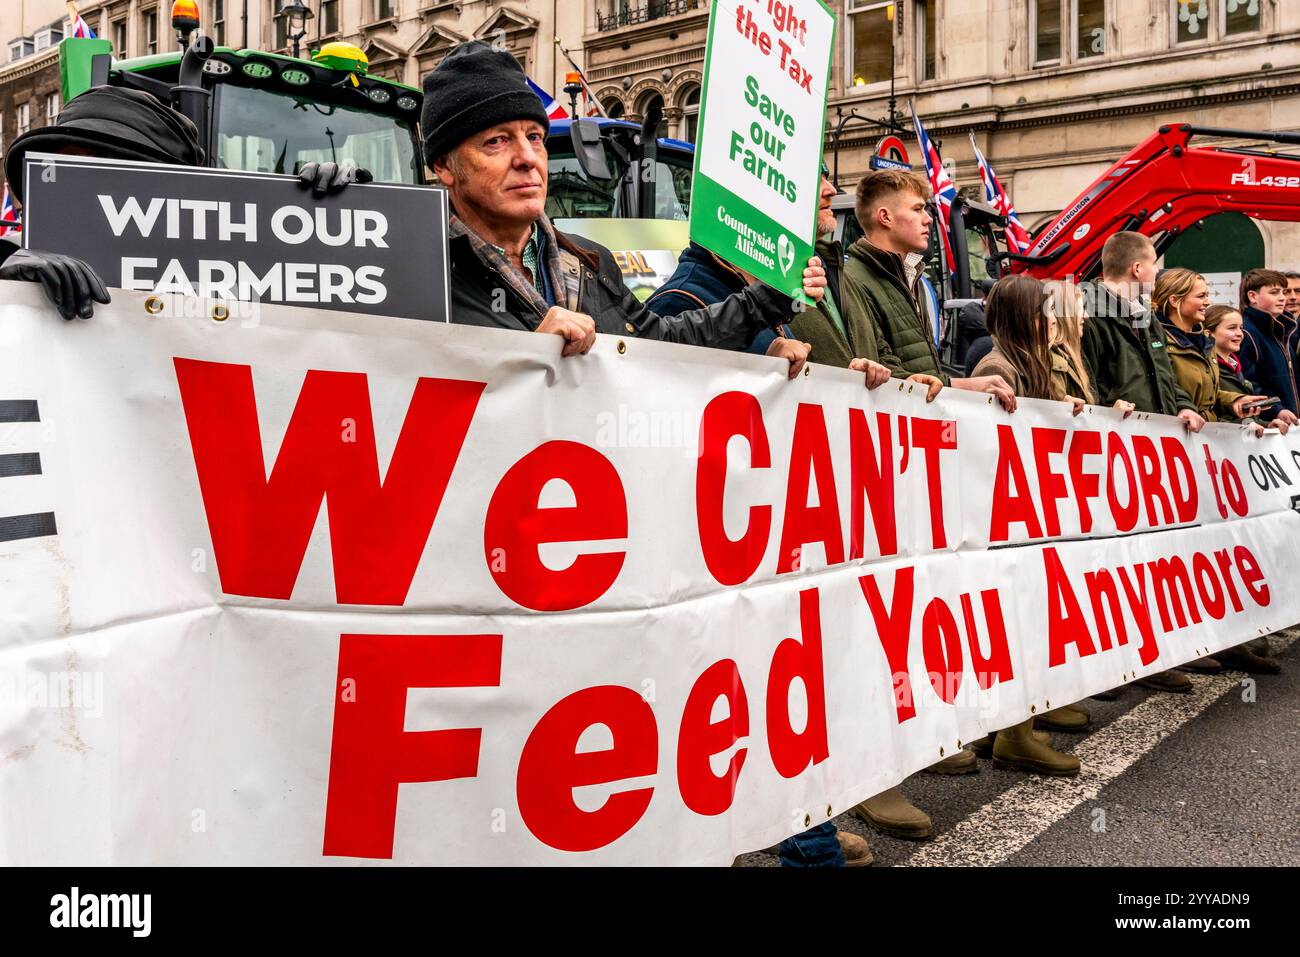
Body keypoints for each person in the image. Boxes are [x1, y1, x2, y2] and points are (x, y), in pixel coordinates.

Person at [421, 41, 823, 368]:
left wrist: (770, 299)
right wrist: (520, 360)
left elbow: (662, 343)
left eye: (535, 137)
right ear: (444, 165)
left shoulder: (589, 261)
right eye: (497, 141)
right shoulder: (416, 276)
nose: (527, 157)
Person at [0, 84, 369, 319]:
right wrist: (9, 292)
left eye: (109, 176)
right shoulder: (18, 264)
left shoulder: (230, 271)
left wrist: (333, 219)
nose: (90, 195)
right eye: (69, 171)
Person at [967, 274, 1094, 774]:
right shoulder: (997, 366)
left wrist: (1066, 413)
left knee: (1035, 618)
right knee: (1017, 620)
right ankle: (1013, 734)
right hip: (1009, 523)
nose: (1053, 318)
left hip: (1032, 519)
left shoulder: (1031, 363)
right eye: (1043, 310)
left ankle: (1017, 722)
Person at [1079, 233, 1207, 695]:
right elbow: (1086, 381)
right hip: (1109, 456)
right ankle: (1102, 665)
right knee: (1108, 559)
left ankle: (1145, 656)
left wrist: (1181, 407)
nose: (1157, 272)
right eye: (1153, 264)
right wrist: (1107, 410)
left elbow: (1163, 376)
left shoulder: (1145, 318)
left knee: (1147, 559)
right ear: (1136, 269)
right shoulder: (1089, 314)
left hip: (1148, 457)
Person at [841, 170, 1017, 413]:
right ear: (885, 217)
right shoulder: (853, 280)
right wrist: (963, 386)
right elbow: (883, 371)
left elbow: (921, 369)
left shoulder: (911, 277)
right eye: (917, 209)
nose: (928, 219)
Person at [1237, 268, 1300, 416]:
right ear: (1252, 296)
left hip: (1292, 425)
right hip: (1268, 427)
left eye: (1282, 292)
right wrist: (1276, 411)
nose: (1282, 298)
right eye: (1274, 292)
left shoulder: (1283, 330)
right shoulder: (1246, 333)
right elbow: (1248, 385)